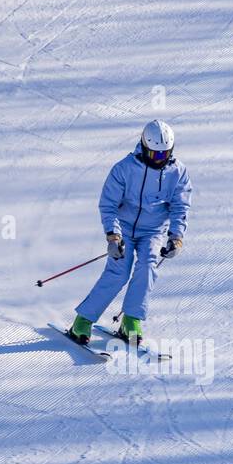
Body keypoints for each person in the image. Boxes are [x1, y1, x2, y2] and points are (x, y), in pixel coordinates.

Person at [68, 119, 192, 345]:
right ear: (144, 147)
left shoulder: (178, 173)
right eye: (154, 154)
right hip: (123, 229)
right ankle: (83, 320)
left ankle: (131, 320)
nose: (159, 160)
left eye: (164, 155)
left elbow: (180, 206)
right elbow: (108, 205)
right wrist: (113, 235)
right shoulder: (124, 169)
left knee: (147, 267)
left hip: (153, 230)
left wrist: (176, 236)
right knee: (119, 272)